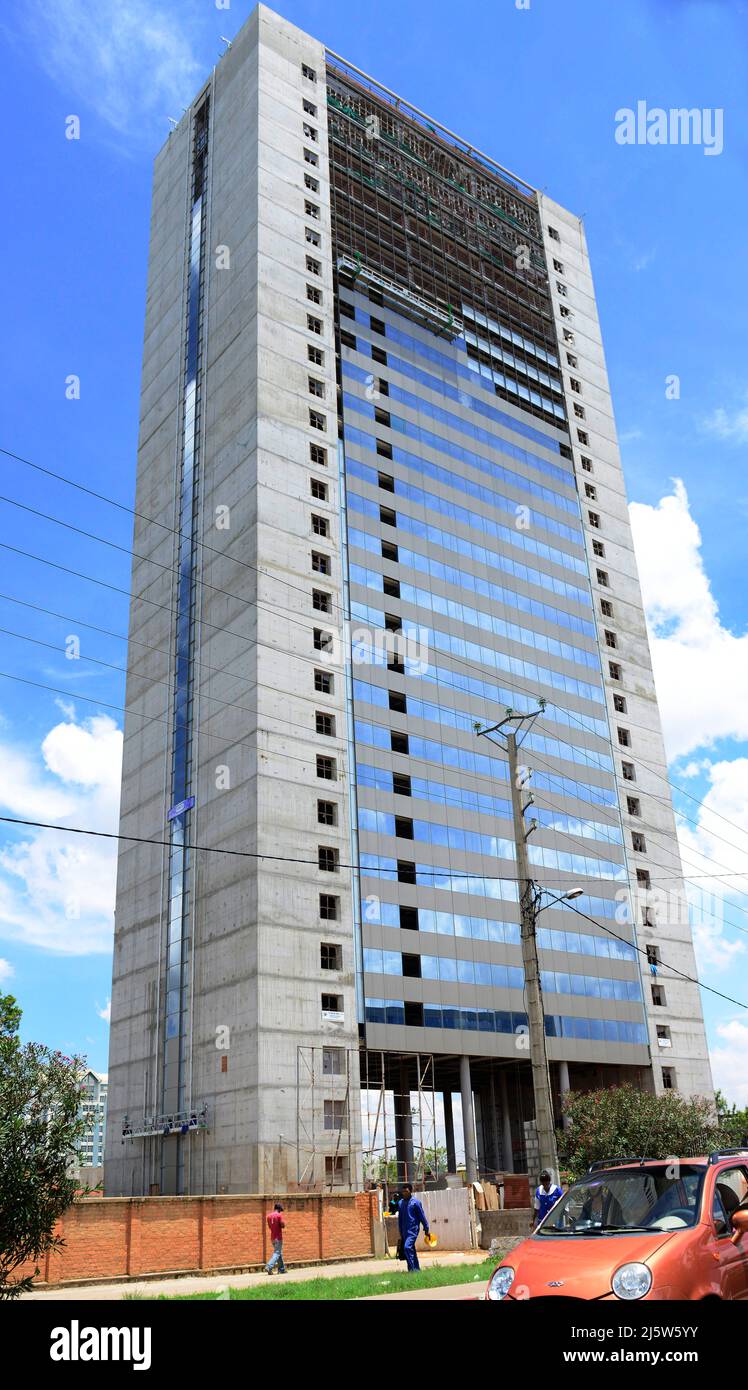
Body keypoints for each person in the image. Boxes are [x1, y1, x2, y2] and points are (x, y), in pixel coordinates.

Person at [397, 1182, 430, 1272]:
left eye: (406, 1191)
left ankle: (413, 1271)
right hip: (404, 1231)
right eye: (403, 1191)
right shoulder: (400, 1203)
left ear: (410, 1191)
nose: (404, 1193)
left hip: (413, 1230)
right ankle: (416, 1269)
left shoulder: (416, 1203)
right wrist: (400, 1231)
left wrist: (426, 1229)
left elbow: (422, 1216)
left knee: (407, 1248)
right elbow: (400, 1219)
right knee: (411, 1250)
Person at [265, 1202, 287, 1275]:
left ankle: (282, 1269)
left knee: (278, 1253)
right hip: (278, 1237)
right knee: (277, 1253)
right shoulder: (279, 1215)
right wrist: (283, 1225)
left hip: (272, 1237)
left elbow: (270, 1227)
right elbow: (282, 1225)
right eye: (280, 1210)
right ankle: (269, 1266)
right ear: (279, 1209)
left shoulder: (268, 1216)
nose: (281, 1211)